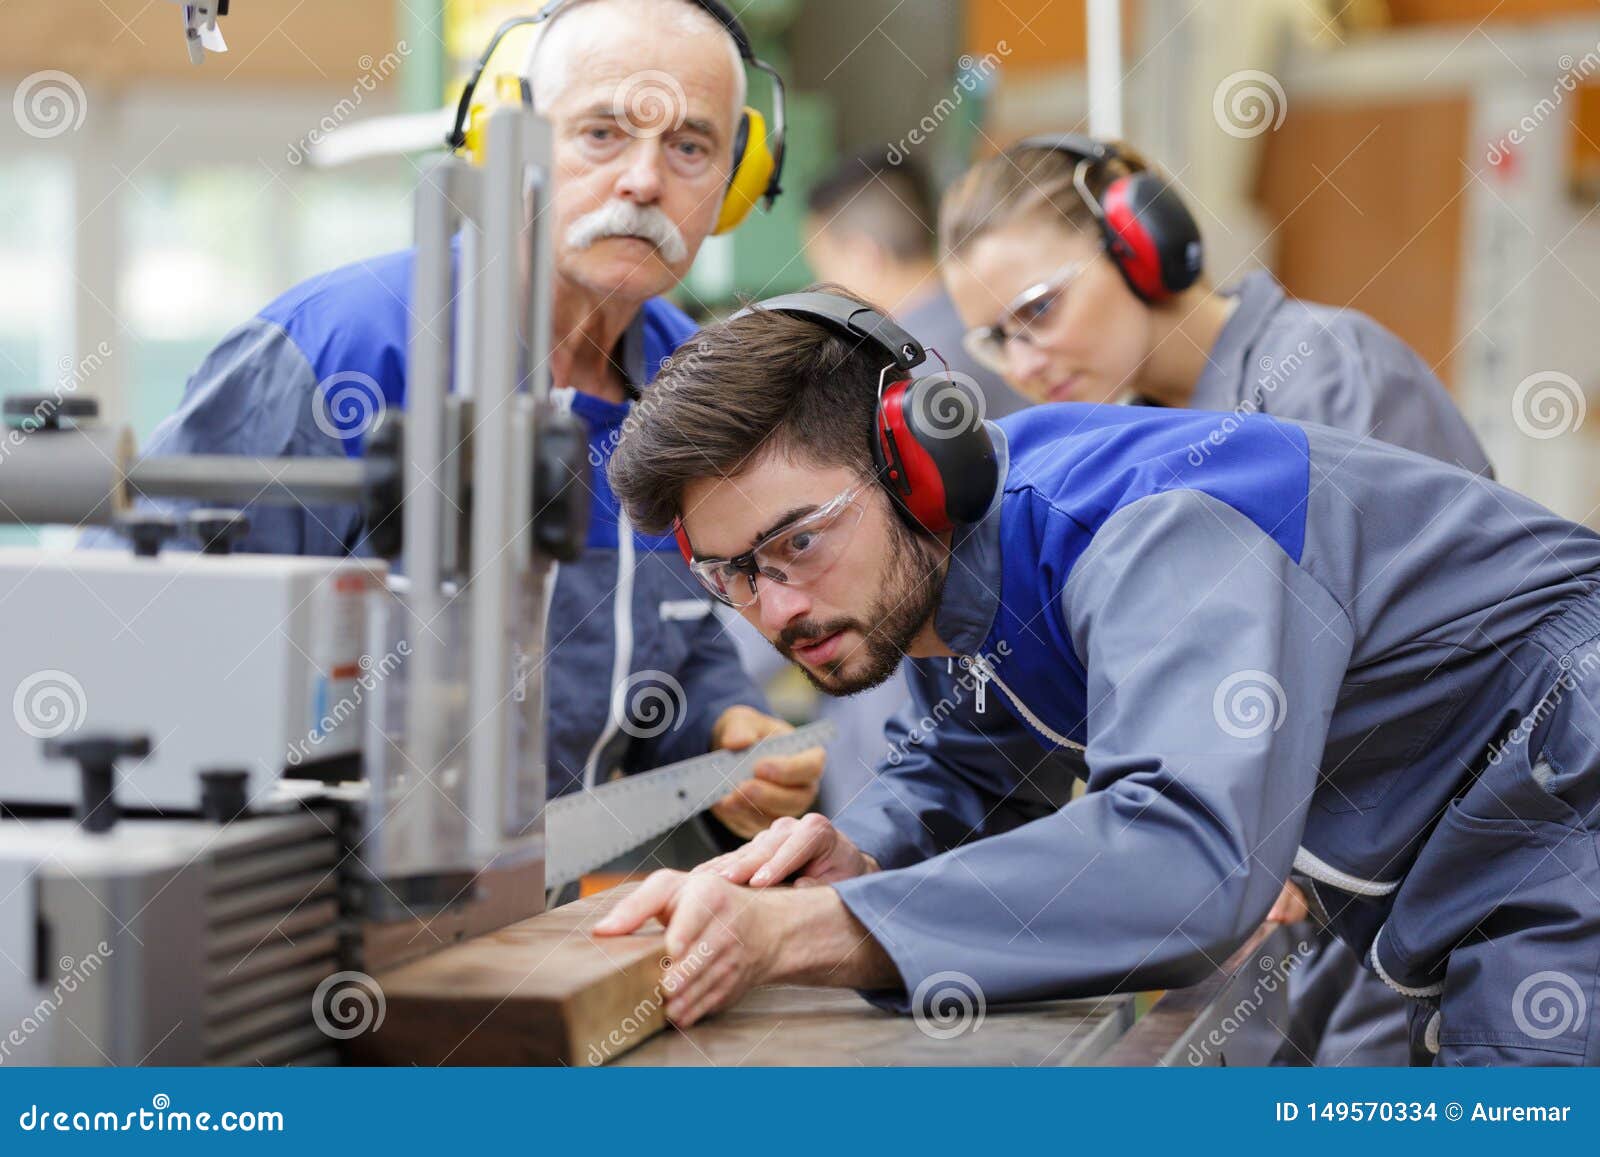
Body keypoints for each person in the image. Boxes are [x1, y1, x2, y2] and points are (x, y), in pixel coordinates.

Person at [595, 287, 1600, 1068]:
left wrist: (798, 930)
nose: (775, 610)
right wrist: (855, 848)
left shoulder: (1158, 527)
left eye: (796, 542)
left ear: (918, 459)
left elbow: (1189, 856)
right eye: (733, 575)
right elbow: (973, 736)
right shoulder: (992, 547)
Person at [115, 0, 823, 866]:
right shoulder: (339, 346)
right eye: (601, 133)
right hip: (310, 914)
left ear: (737, 179)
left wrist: (719, 726)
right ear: (507, 138)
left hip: (553, 925)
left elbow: (673, 634)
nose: (644, 181)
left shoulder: (697, 386)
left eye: (689, 146)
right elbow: (148, 635)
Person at [925, 135, 1500, 1065]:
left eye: (1039, 310)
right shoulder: (1124, 461)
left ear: (1140, 245)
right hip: (1281, 914)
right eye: (994, 337)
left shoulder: (1328, 372)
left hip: (1427, 884)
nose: (1022, 360)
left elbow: (1436, 672)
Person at [722, 151, 1027, 820]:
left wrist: (712, 686)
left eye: (824, 266)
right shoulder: (1004, 345)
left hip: (901, 699)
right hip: (1009, 702)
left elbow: (797, 538)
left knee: (877, 864)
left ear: (860, 252)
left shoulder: (880, 378)